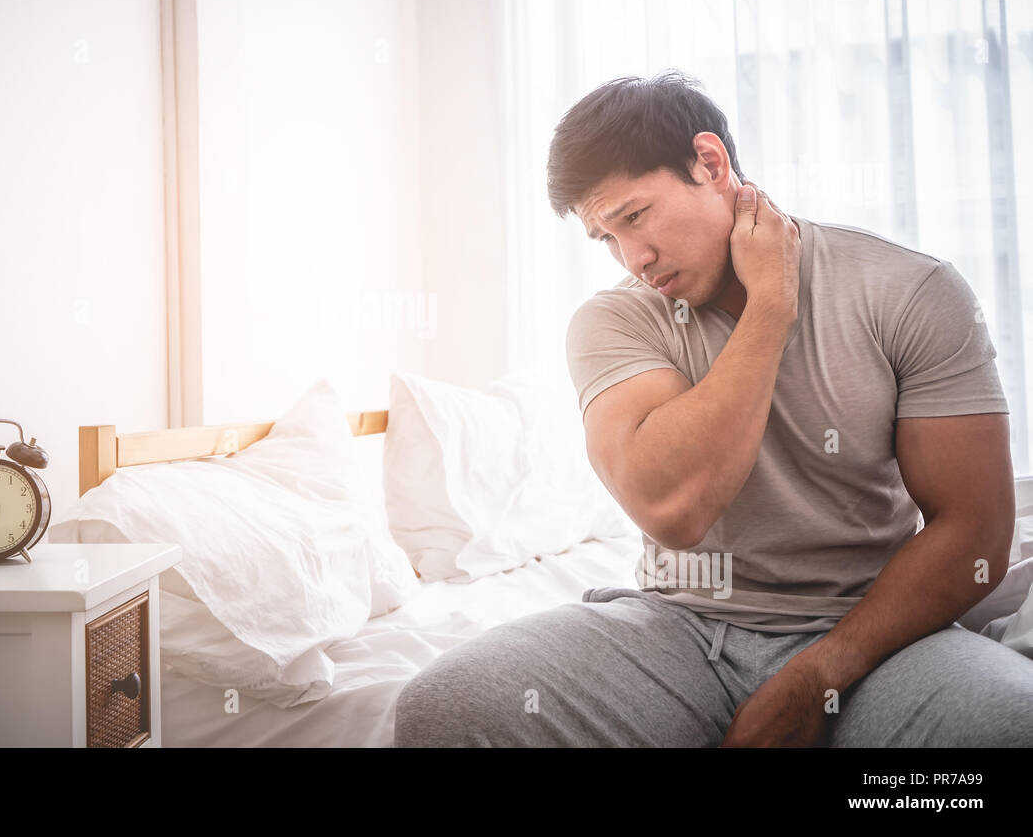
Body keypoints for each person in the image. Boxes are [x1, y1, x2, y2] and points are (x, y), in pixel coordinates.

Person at [392, 70, 1033, 746]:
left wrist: (821, 674)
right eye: (605, 238)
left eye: (635, 217)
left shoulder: (908, 288)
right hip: (681, 626)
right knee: (444, 706)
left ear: (710, 162)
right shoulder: (614, 323)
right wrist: (771, 308)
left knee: (1008, 724)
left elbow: (976, 526)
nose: (631, 258)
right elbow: (677, 511)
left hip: (871, 630)